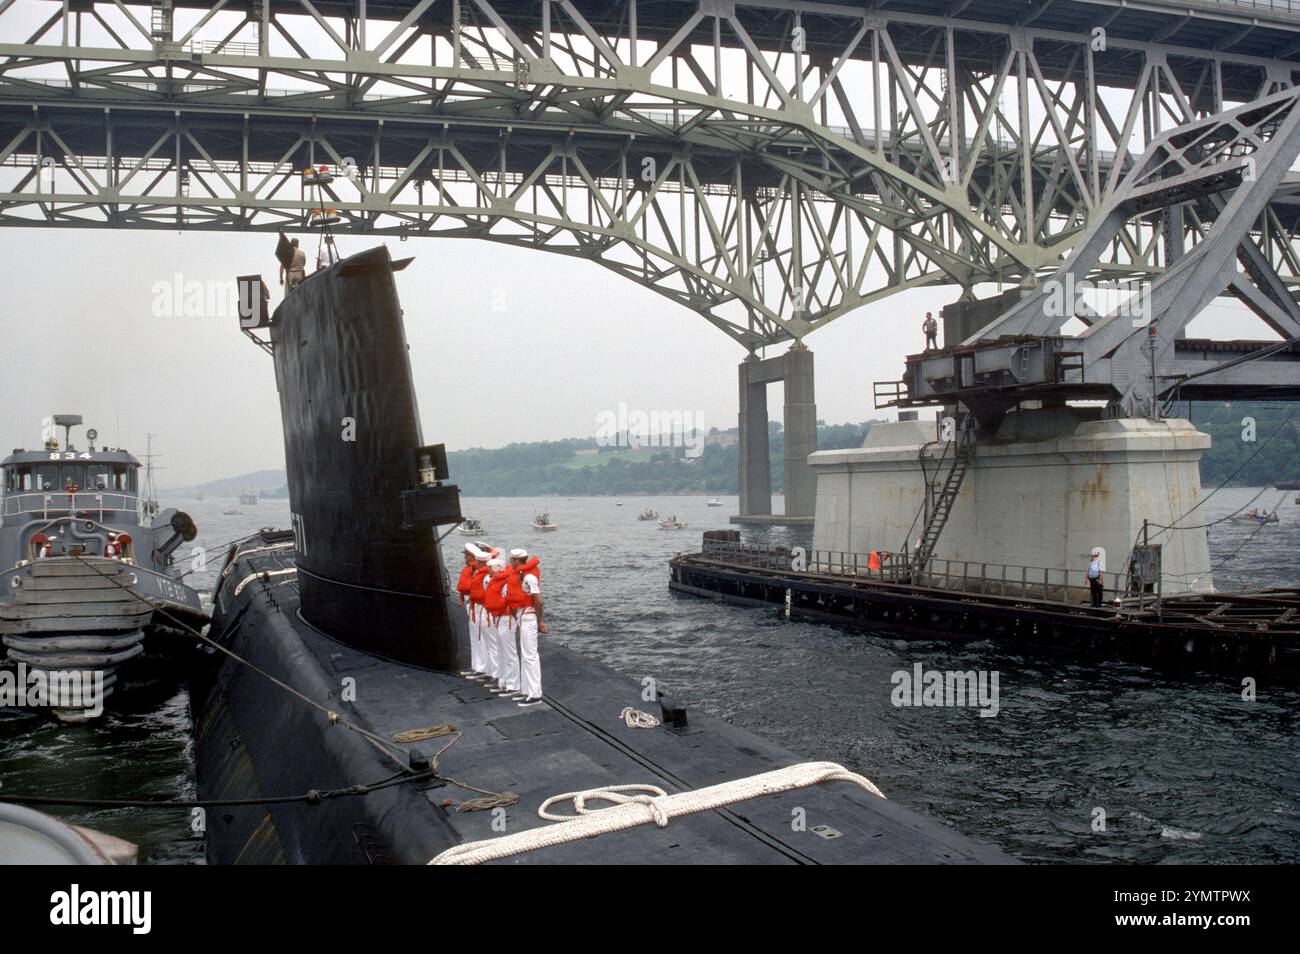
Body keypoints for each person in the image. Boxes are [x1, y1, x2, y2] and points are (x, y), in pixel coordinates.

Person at [510, 549, 546, 707]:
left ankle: (535, 694)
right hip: (521, 616)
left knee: (530, 656)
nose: (510, 563)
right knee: (525, 655)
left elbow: (539, 601)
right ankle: (526, 690)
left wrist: (539, 622)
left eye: (512, 560)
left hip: (528, 616)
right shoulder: (521, 575)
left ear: (518, 560)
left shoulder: (530, 577)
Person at [457, 544, 484, 678]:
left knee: (478, 638)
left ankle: (481, 668)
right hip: (471, 604)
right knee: (475, 638)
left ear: (472, 556)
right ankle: (477, 666)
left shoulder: (475, 570)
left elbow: (469, 587)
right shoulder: (472, 569)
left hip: (476, 606)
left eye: (466, 555)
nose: (464, 558)